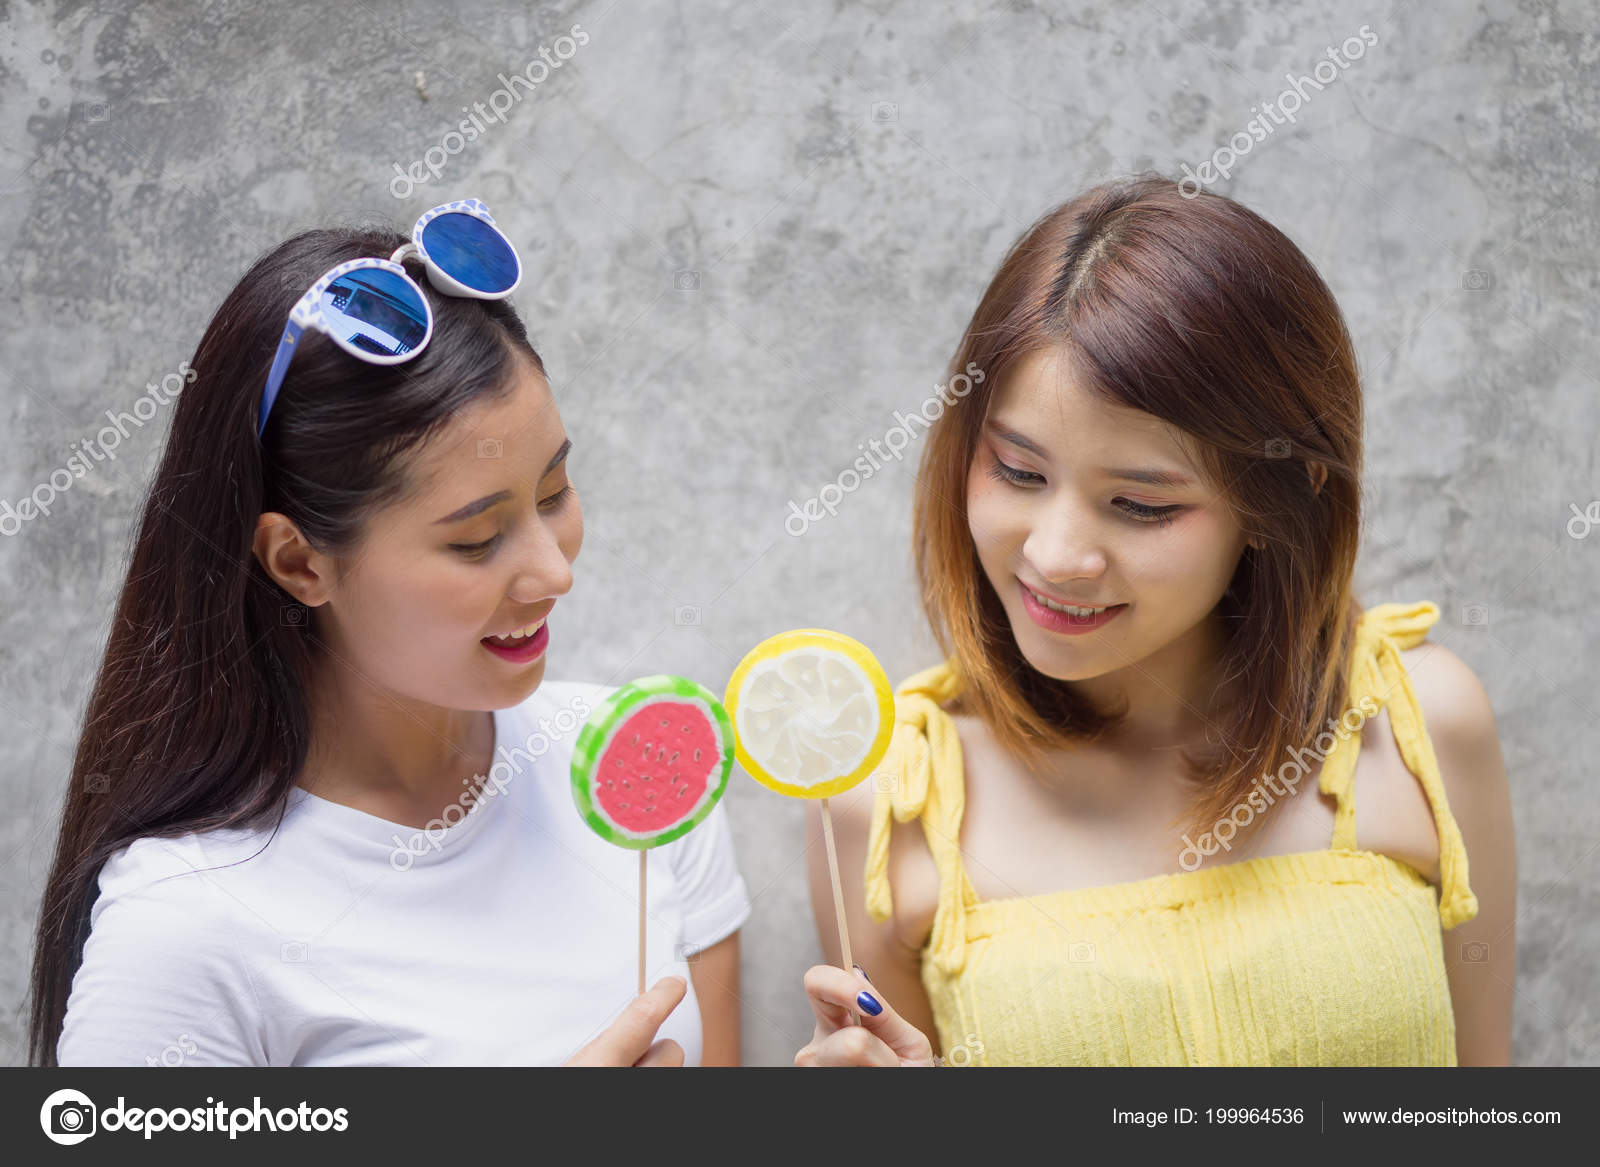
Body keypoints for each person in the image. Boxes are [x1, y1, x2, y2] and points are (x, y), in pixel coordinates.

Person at [797, 175, 1515, 1067]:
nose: (1059, 555)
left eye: (1138, 504)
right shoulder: (889, 804)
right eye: (1019, 472)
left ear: (1280, 501)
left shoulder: (1421, 731)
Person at [32, 207, 747, 1066]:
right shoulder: (187, 925)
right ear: (299, 562)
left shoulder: (637, 770)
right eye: (475, 539)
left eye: (554, 491)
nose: (553, 573)